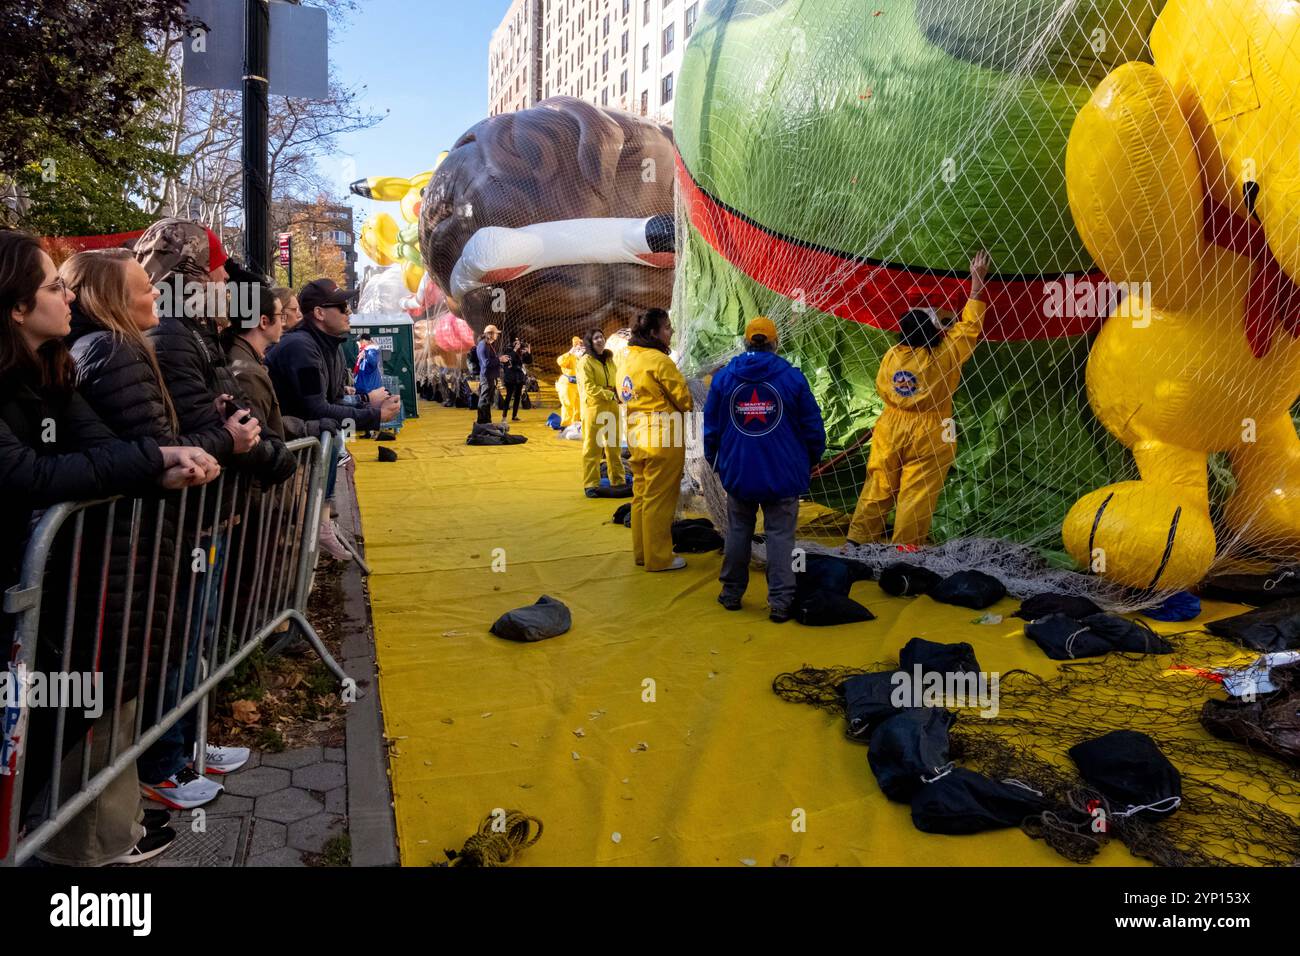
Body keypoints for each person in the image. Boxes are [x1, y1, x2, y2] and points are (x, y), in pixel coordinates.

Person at [1, 229, 218, 865]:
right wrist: (156, 456)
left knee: (46, 741)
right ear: (15, 307)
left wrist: (160, 465)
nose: (64, 295)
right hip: (32, 588)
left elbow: (100, 449)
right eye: (50, 286)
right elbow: (25, 475)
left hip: (42, 593)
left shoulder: (53, 368)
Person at [134, 218, 291, 808]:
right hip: (190, 519)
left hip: (209, 515)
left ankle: (189, 745)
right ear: (193, 275)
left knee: (196, 636)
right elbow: (206, 423)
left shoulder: (195, 332)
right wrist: (246, 443)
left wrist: (247, 438)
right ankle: (163, 763)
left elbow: (223, 413)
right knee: (179, 640)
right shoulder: (175, 336)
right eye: (221, 272)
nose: (231, 285)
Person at [846, 251, 991, 547]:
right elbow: (970, 327)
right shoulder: (944, 355)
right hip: (932, 430)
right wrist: (976, 284)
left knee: (878, 485)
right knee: (917, 494)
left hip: (890, 426)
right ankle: (904, 552)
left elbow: (882, 388)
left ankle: (857, 542)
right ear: (935, 331)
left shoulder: (892, 355)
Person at [704, 317, 826, 622]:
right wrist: (811, 458)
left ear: (746, 342)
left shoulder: (724, 378)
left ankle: (731, 593)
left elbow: (711, 428)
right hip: (783, 473)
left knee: (737, 531)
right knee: (781, 537)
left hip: (739, 472)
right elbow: (813, 426)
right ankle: (781, 603)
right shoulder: (792, 378)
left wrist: (715, 460)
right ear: (775, 342)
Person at [225, 282, 351, 559]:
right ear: (263, 321)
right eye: (283, 314)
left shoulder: (254, 362)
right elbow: (260, 429)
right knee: (265, 569)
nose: (288, 322)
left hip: (269, 491)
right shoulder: (248, 369)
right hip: (261, 495)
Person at [622, 308, 693, 572]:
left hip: (636, 435)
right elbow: (684, 401)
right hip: (663, 436)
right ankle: (659, 558)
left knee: (641, 495)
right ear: (653, 333)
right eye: (667, 327)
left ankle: (642, 553)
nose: (671, 331)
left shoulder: (627, 360)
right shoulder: (661, 361)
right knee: (660, 500)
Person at [578, 327, 630, 498]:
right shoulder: (585, 362)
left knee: (614, 446)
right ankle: (590, 484)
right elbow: (589, 387)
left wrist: (622, 392)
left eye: (601, 337)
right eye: (595, 338)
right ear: (590, 343)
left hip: (612, 407)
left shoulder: (609, 359)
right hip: (594, 408)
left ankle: (618, 480)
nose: (599, 340)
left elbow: (617, 379)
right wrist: (611, 394)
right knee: (592, 447)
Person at [474, 324, 502, 424]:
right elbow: (486, 362)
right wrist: (499, 359)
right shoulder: (483, 345)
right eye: (495, 333)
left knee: (487, 399)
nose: (497, 335)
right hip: (486, 377)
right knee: (484, 399)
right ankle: (482, 421)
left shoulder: (488, 345)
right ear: (490, 334)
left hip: (490, 376)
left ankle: (487, 420)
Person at [556, 336, 583, 427]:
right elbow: (560, 362)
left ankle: (575, 424)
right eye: (579, 347)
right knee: (568, 405)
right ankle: (566, 425)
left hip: (578, 385)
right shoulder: (568, 357)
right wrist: (571, 351)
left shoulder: (583, 359)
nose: (581, 349)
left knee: (578, 406)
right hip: (567, 384)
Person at [500, 335, 528, 422]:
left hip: (519, 377)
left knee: (517, 397)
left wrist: (528, 352)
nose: (518, 344)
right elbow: (509, 359)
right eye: (516, 342)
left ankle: (514, 415)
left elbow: (529, 361)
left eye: (518, 342)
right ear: (512, 343)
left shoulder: (520, 352)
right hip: (510, 377)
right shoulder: (508, 350)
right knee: (508, 396)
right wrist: (515, 350)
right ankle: (504, 416)